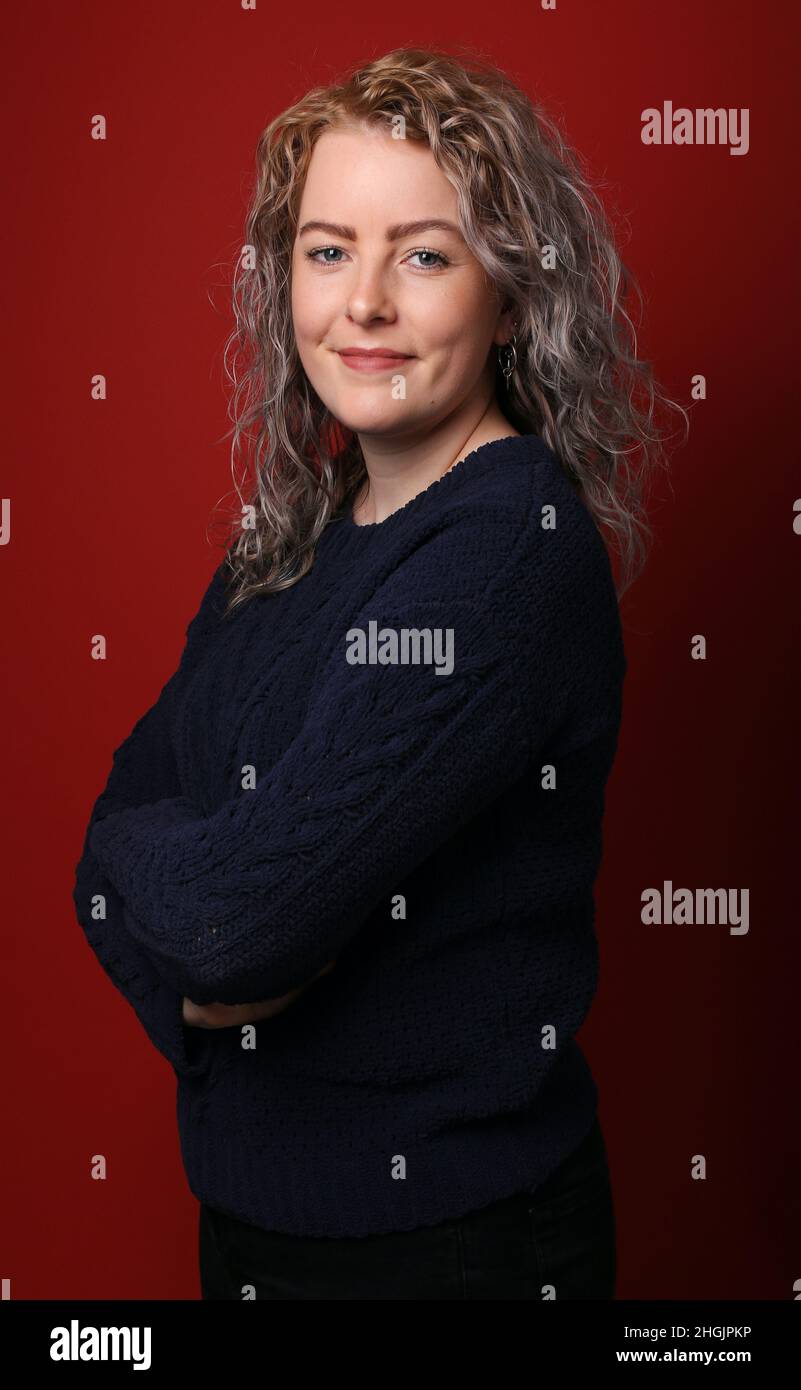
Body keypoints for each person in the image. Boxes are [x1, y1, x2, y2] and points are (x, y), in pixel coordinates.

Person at [73, 44, 686, 1300]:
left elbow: (233, 920)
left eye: (422, 252)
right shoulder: (295, 529)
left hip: (449, 1250)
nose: (363, 302)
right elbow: (114, 830)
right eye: (327, 248)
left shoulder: (510, 552)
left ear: (510, 294)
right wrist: (195, 946)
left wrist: (200, 916)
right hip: (251, 1224)